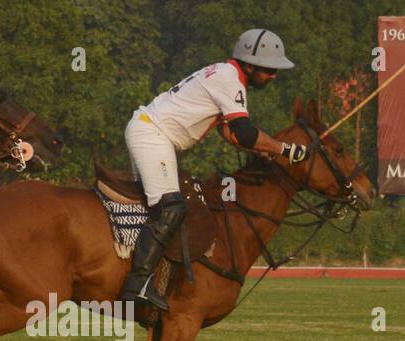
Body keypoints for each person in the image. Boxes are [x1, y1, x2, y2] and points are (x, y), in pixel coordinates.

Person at [118, 29, 308, 311]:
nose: (274, 76)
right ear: (250, 64)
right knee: (171, 207)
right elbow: (243, 132)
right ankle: (137, 287)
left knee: (155, 208)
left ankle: (133, 271)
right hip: (153, 134)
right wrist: (284, 149)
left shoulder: (226, 75)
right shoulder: (229, 79)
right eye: (270, 69)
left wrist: (264, 150)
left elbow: (231, 133)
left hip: (153, 134)